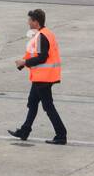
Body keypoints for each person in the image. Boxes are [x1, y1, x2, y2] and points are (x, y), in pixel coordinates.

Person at [9, 8, 67, 145]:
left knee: (48, 106)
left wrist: (25, 62)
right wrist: (23, 63)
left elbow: (42, 57)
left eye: (30, 20)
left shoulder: (41, 36)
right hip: (41, 77)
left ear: (36, 22)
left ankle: (61, 135)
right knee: (32, 103)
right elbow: (35, 54)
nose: (28, 22)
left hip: (44, 77)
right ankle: (25, 131)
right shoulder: (45, 33)